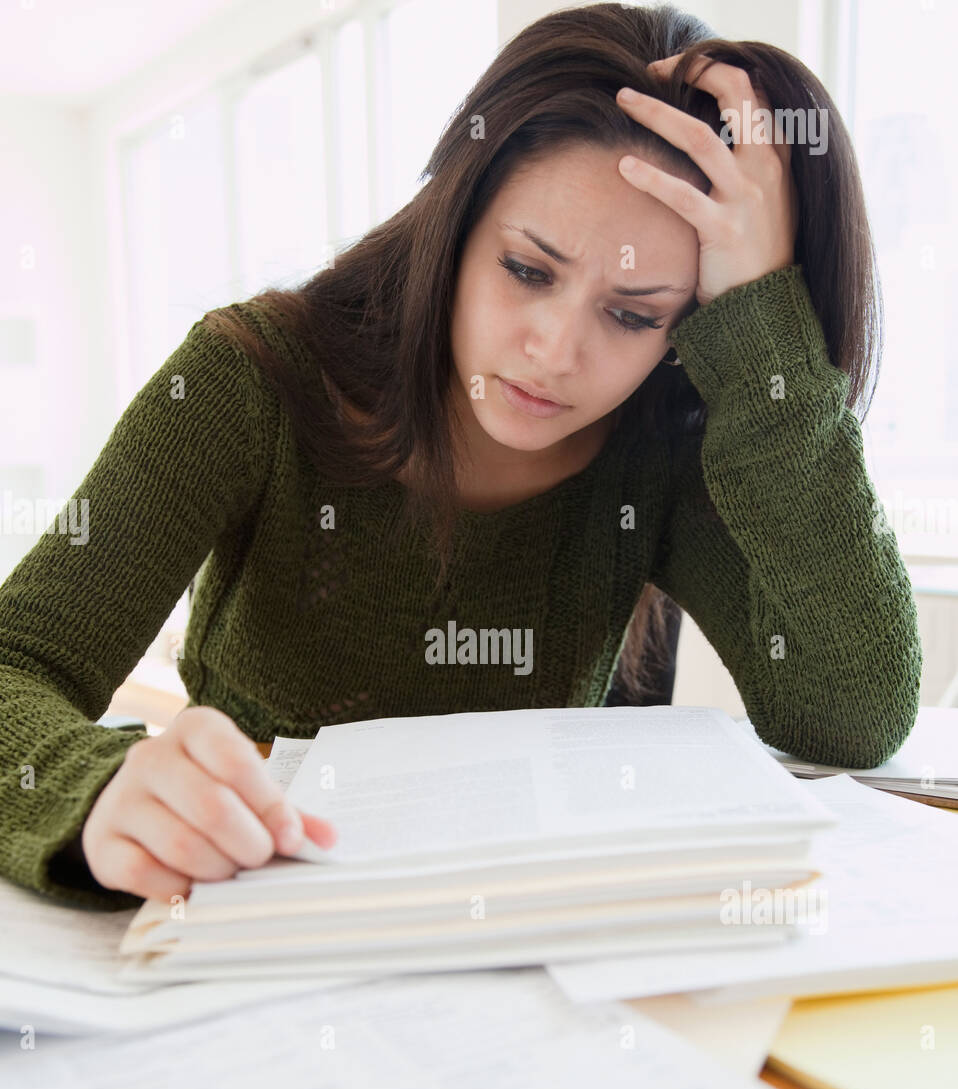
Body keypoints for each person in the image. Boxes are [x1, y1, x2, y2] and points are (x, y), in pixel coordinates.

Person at [0, 4, 921, 911]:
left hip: (534, 968)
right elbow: (17, 662)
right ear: (455, 221)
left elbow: (851, 713)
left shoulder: (661, 454)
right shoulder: (248, 381)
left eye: (635, 314)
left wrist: (763, 327)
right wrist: (96, 787)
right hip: (258, 939)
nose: (555, 353)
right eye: (527, 269)